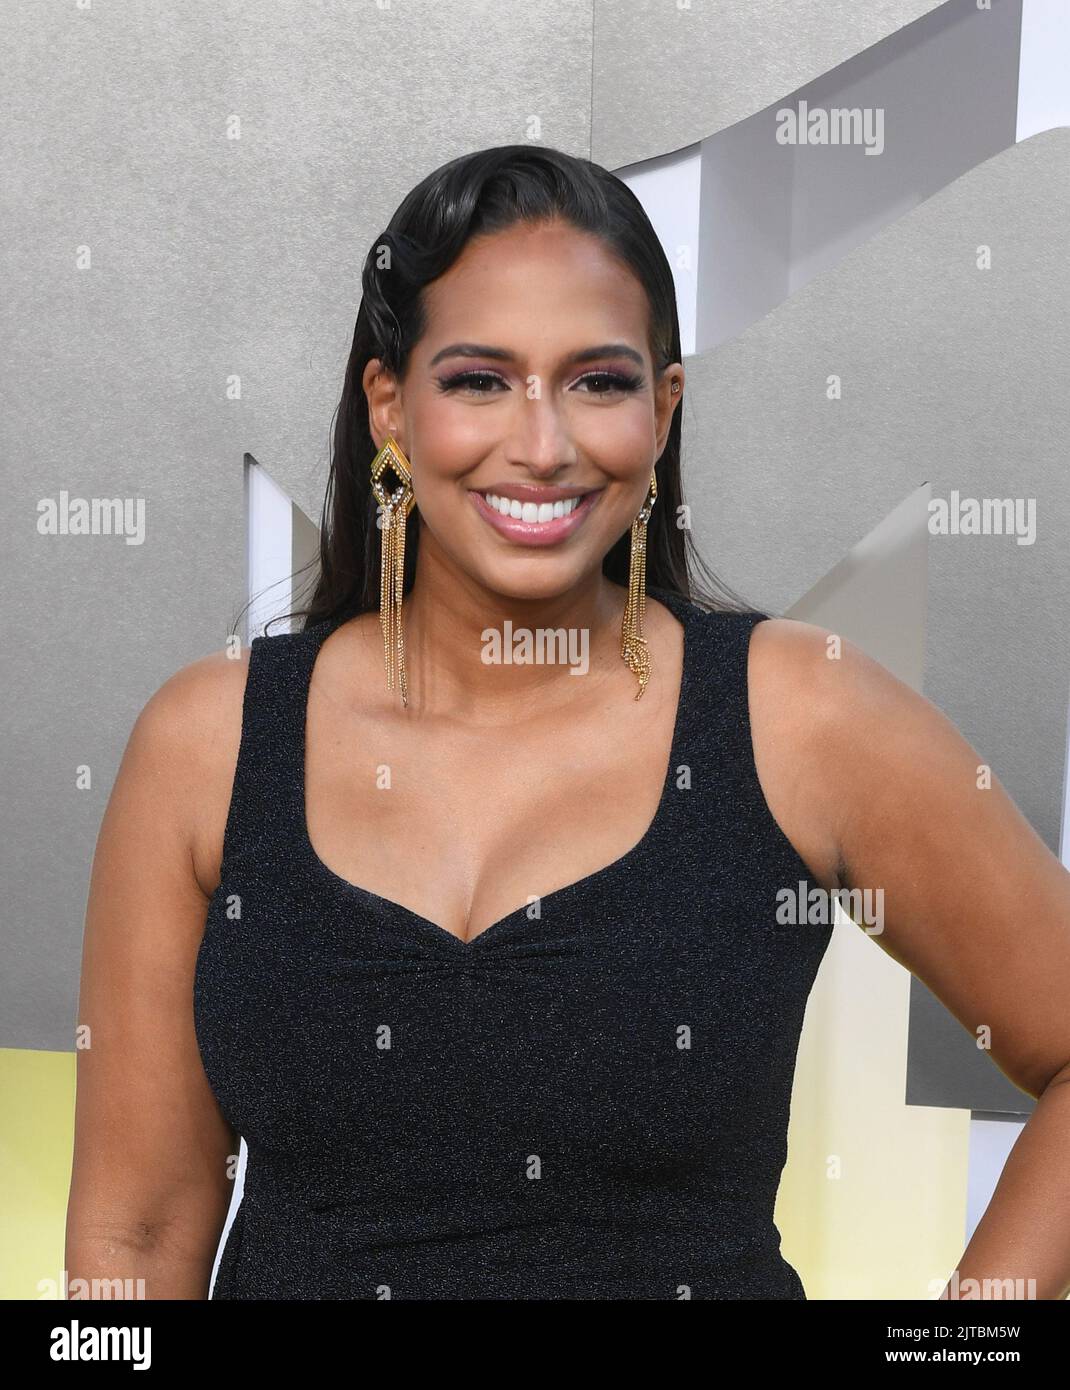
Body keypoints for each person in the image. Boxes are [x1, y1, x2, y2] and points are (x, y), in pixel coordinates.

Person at [65, 145, 1070, 1301]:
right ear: (389, 406)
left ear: (662, 406)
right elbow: (131, 1243)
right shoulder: (208, 741)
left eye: (597, 381)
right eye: (478, 380)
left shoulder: (801, 712)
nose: (541, 446)